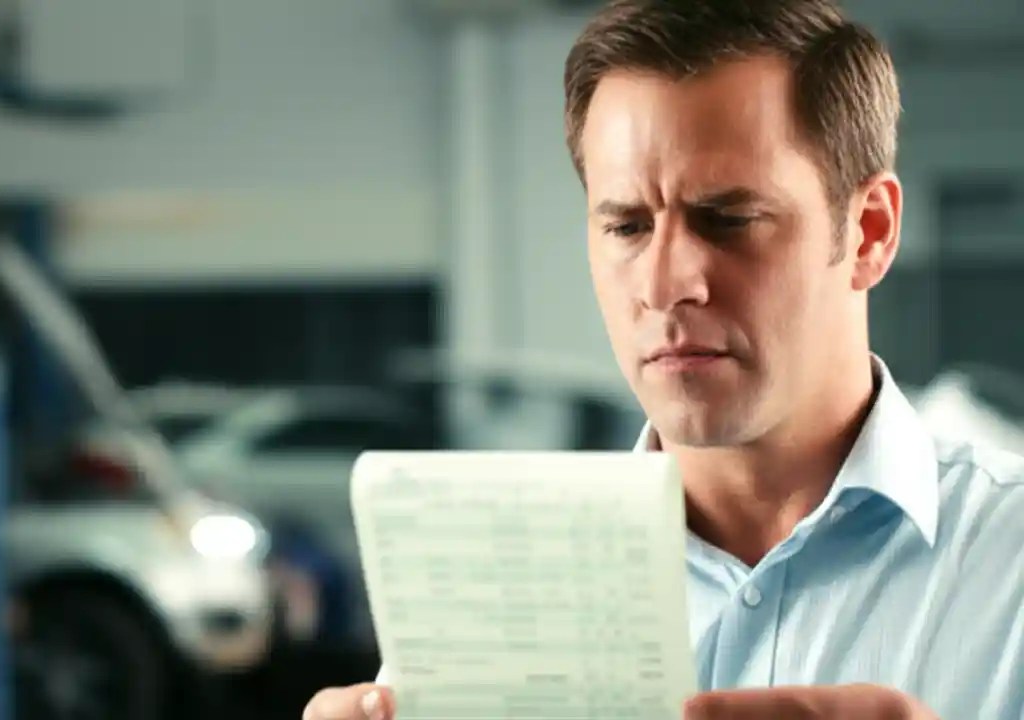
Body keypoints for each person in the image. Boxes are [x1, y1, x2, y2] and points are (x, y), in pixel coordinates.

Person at [304, 0, 1024, 718]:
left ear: (869, 232)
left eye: (728, 220)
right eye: (626, 225)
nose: (663, 285)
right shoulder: (486, 604)